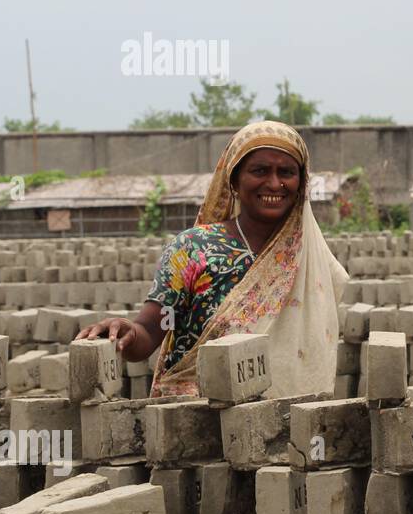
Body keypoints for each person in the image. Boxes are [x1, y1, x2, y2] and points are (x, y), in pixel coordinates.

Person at [76, 121, 348, 398]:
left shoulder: (313, 259)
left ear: (301, 182)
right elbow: (150, 331)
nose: (274, 183)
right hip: (193, 417)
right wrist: (127, 332)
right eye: (260, 171)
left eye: (287, 172)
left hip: (283, 427)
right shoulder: (194, 248)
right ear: (234, 180)